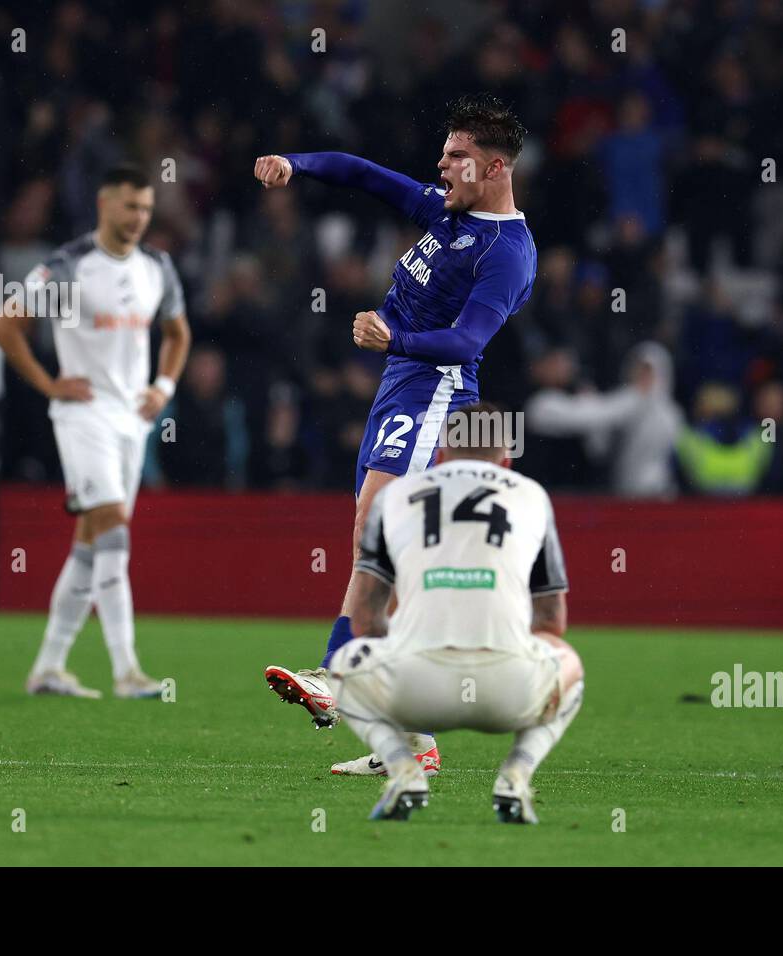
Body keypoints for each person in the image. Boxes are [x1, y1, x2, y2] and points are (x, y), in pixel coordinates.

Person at [257, 95, 538, 777]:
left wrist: (397, 336)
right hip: (399, 387)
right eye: (444, 152)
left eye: (457, 156)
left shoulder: (507, 252)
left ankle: (336, 673)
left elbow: (468, 339)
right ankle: (411, 741)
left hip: (434, 388)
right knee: (385, 550)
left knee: (374, 524)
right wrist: (294, 163)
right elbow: (360, 173)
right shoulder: (448, 211)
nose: (441, 165)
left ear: (495, 166)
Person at [0, 164, 191, 699]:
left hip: (132, 420)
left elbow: (177, 333)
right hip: (83, 416)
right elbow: (3, 325)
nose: (139, 218)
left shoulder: (156, 267)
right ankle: (127, 670)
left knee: (91, 541)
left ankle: (48, 668)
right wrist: (50, 385)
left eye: (146, 209)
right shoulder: (69, 266)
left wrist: (163, 387)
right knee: (113, 534)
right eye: (130, 207)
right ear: (105, 205)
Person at [328, 404, 583, 822]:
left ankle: (403, 766)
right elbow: (553, 619)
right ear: (507, 459)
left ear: (440, 455)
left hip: (417, 690)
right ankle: (515, 775)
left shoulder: (395, 498)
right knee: (569, 664)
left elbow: (365, 616)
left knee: (342, 664)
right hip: (507, 692)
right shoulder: (531, 497)